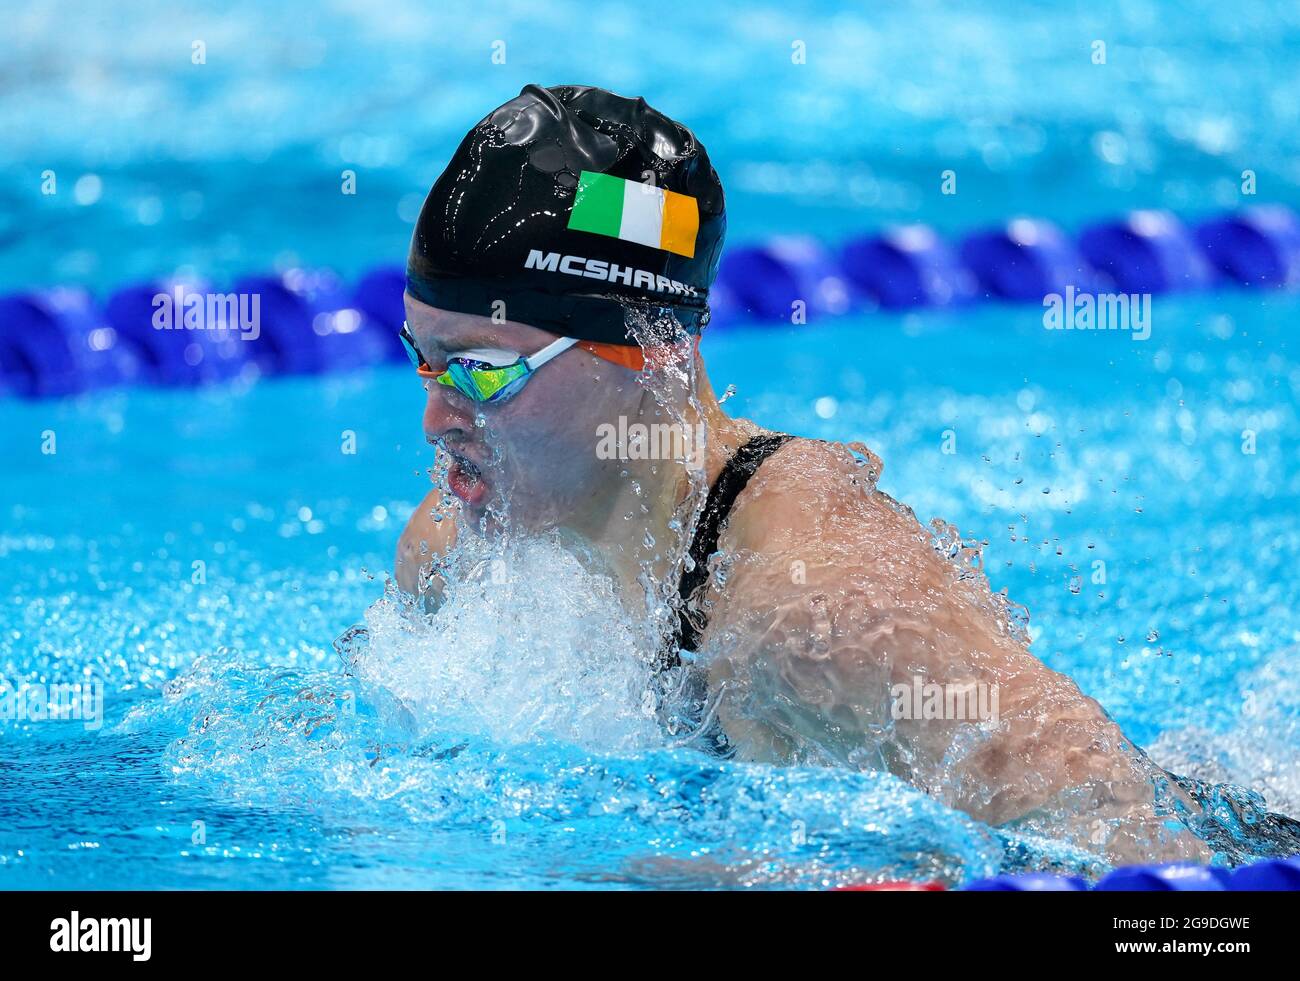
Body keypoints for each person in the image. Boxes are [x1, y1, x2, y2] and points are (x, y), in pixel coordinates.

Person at [394, 84, 1209, 865]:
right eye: (423, 361)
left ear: (654, 347)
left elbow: (1132, 843)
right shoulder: (448, 557)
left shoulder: (812, 612)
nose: (437, 419)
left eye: (482, 371)